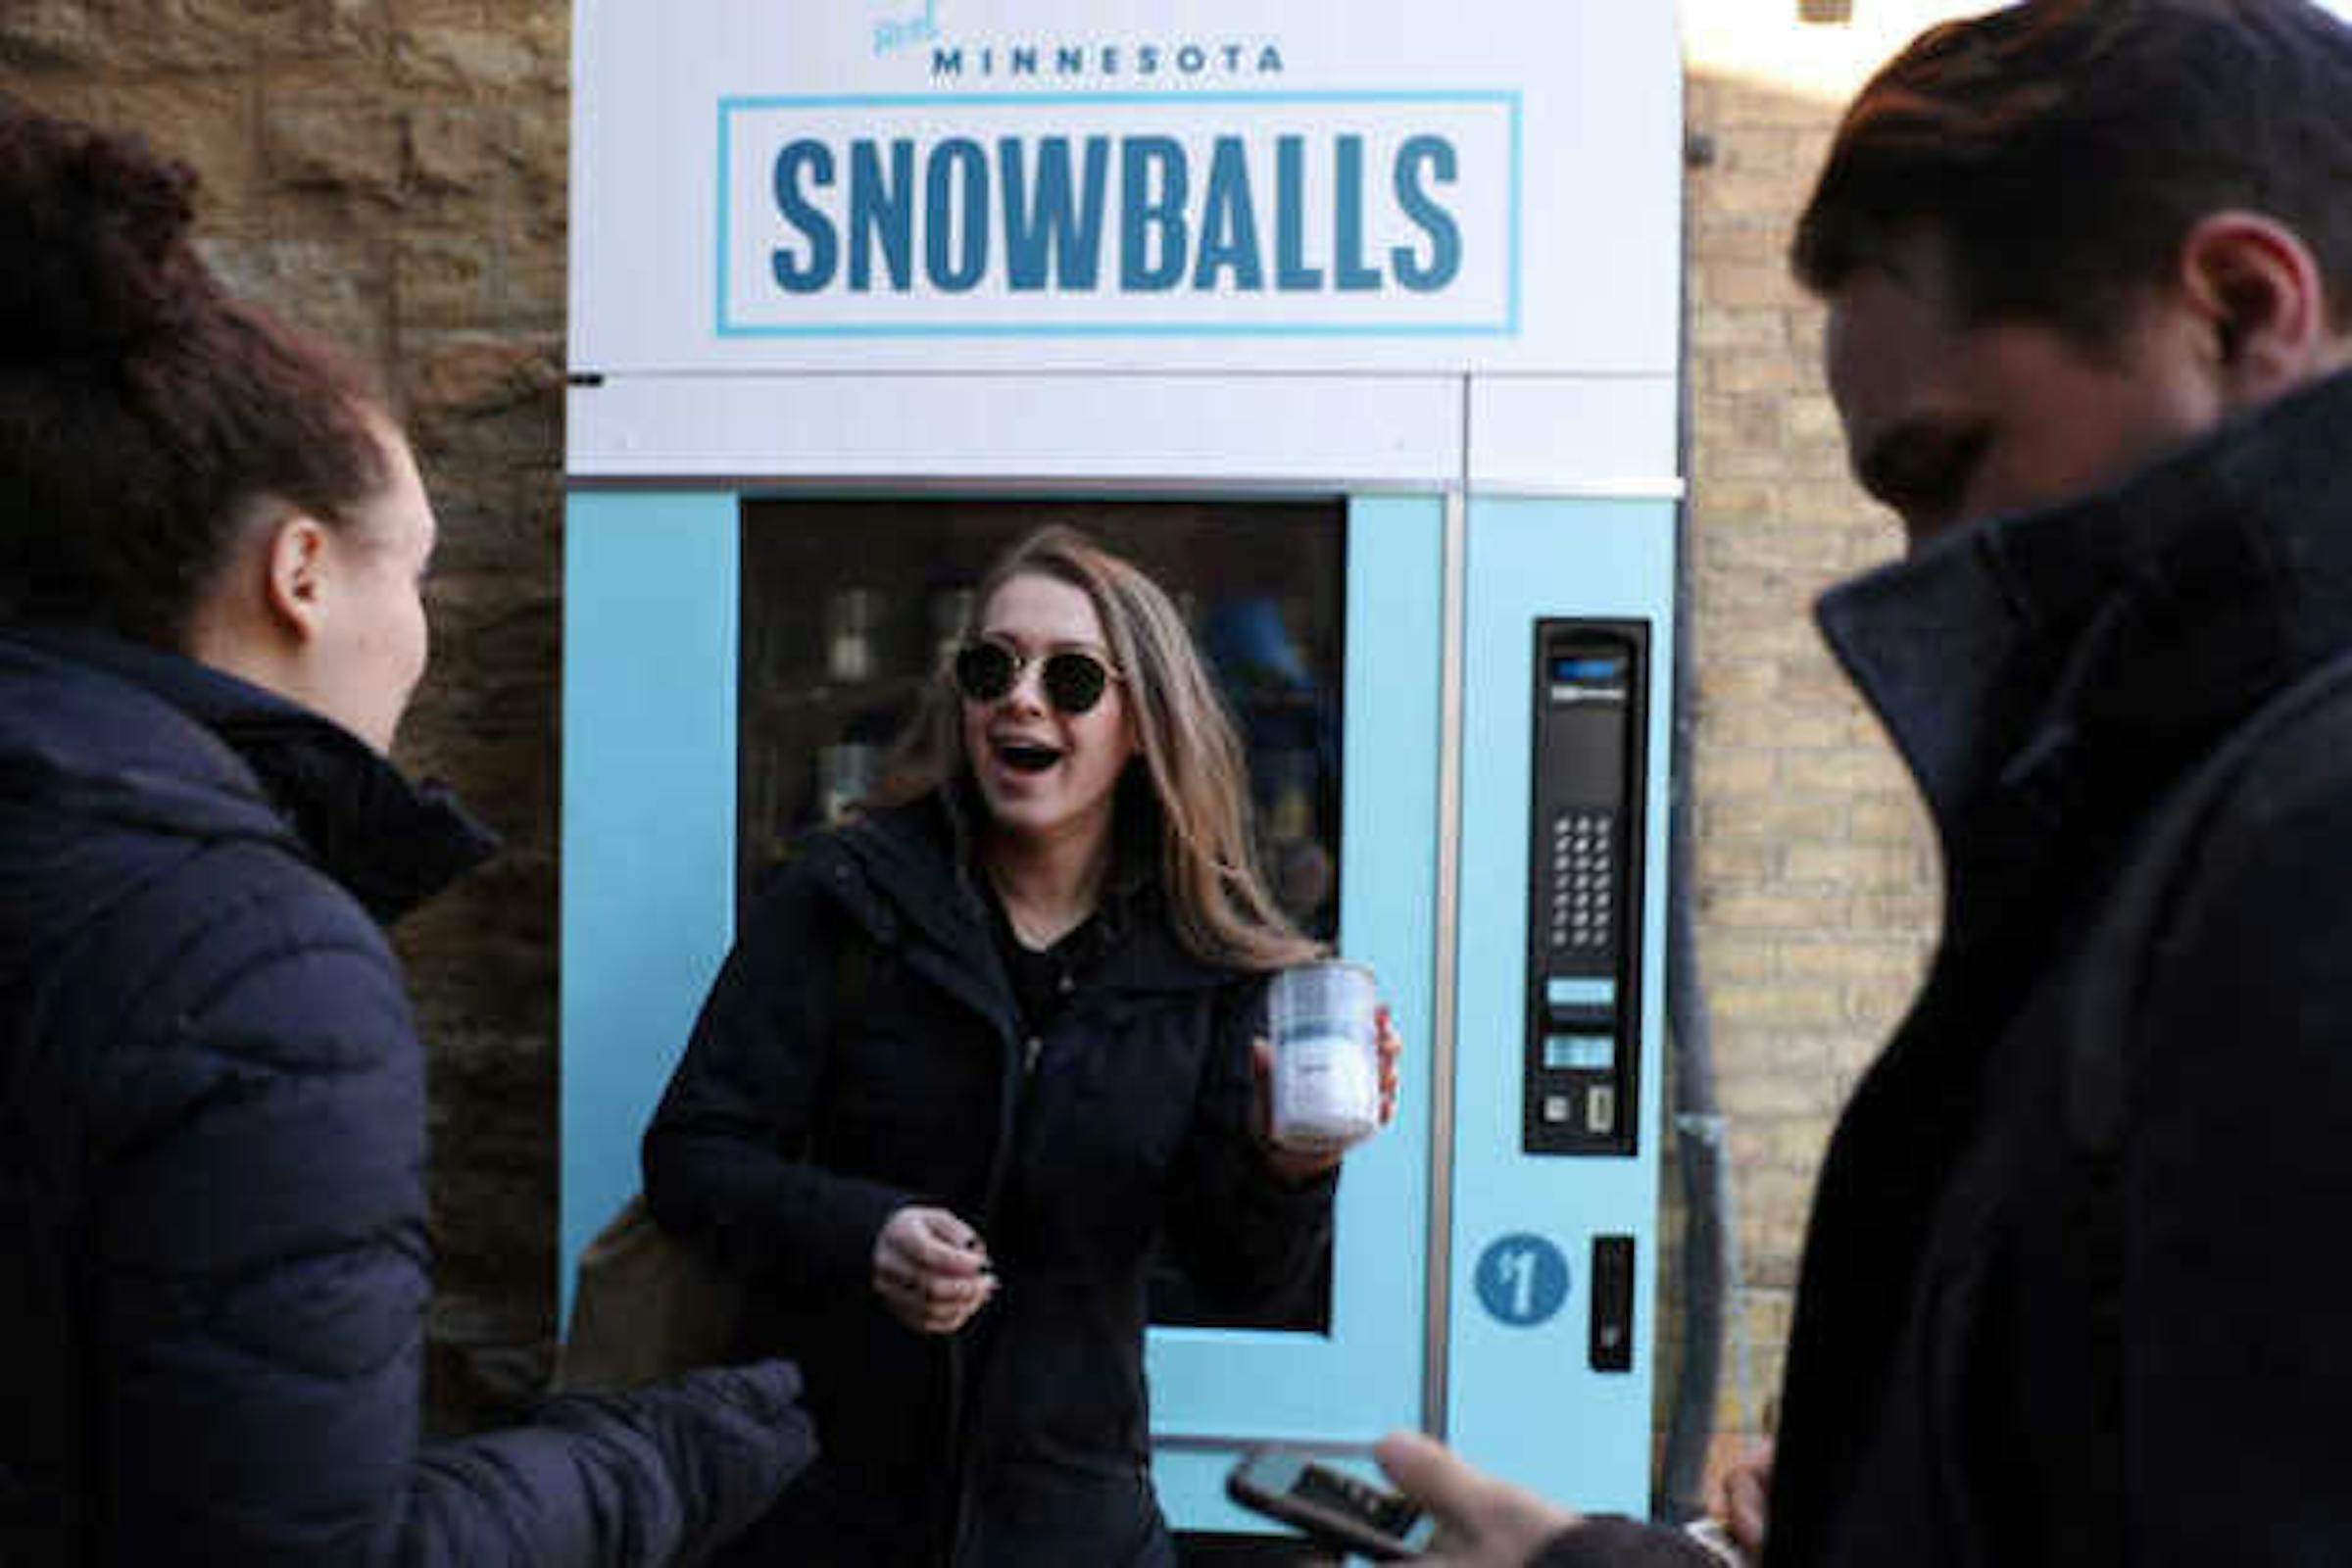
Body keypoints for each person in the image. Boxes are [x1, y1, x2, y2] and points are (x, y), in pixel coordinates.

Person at [1376, 0, 2352, 1562]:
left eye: (1946, 463)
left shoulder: (2302, 845)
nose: (1924, 561)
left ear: (2242, 309)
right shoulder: (2213, 813)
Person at [0, 103, 814, 1563]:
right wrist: (656, 1461)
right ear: (303, 573)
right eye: (419, 574)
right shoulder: (251, 962)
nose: (425, 636)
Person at [644, 525, 1402, 1565]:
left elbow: (1242, 1280)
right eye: (991, 667)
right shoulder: (845, 896)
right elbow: (691, 1158)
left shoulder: (1205, 961)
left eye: (1072, 677)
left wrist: (1291, 1168)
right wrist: (865, 1234)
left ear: (1142, 724)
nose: (1021, 699)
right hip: (822, 1510)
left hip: (1075, 1525)